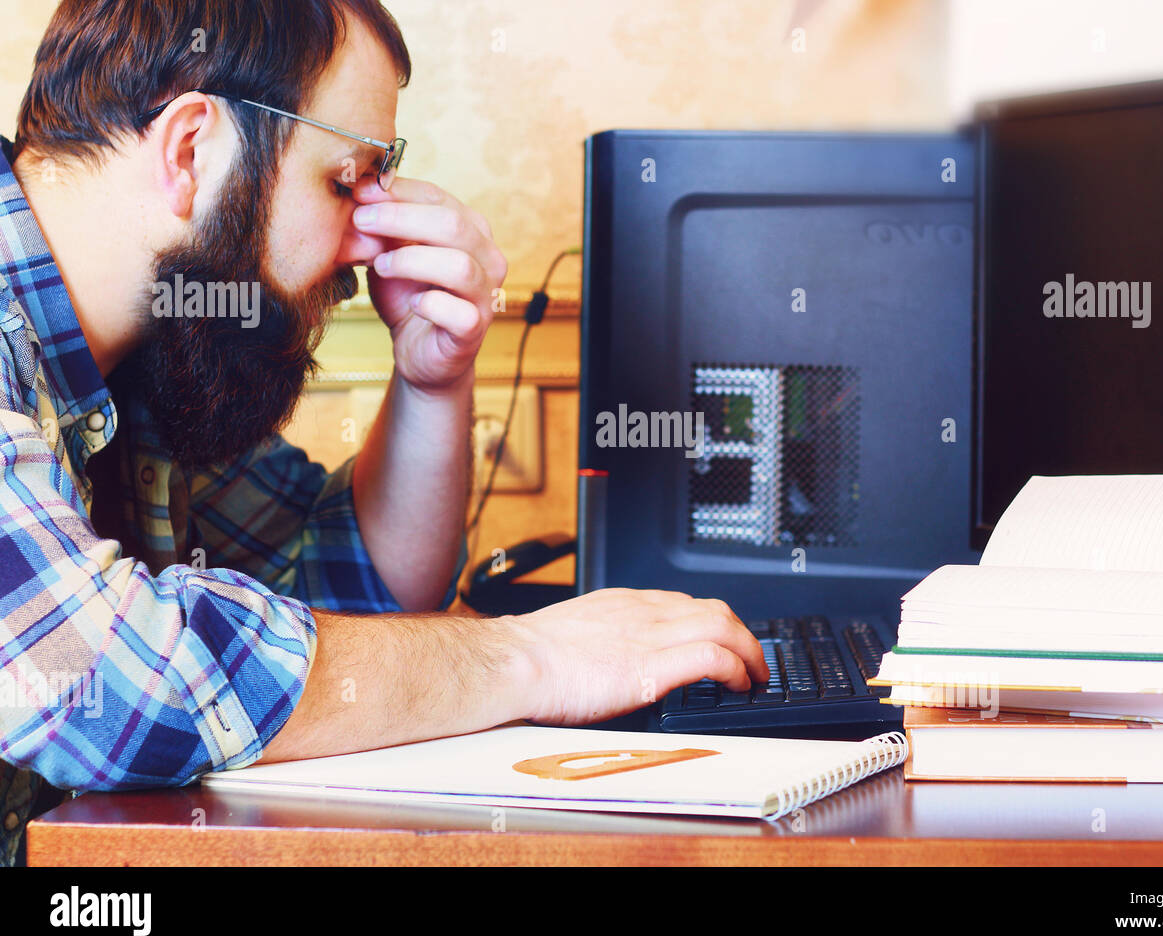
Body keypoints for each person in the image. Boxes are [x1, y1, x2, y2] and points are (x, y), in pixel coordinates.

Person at [0, 0, 765, 866]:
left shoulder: (140, 363)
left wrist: (433, 379)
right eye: (344, 180)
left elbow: (350, 590)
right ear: (190, 151)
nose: (368, 242)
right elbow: (108, 684)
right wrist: (532, 655)